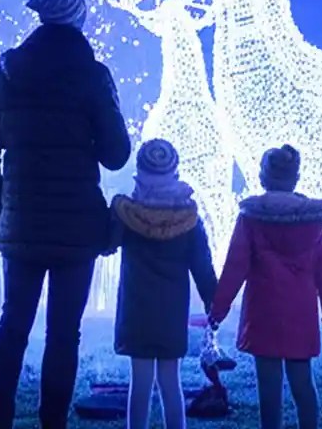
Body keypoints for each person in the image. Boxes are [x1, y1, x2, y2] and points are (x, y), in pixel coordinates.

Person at [0, 0, 132, 429]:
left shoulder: (1, 76)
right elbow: (116, 154)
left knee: (13, 327)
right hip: (77, 230)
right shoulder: (93, 76)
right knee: (65, 335)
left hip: (20, 225)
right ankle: (53, 423)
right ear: (78, 21)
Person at [207, 144, 322, 429]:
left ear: (263, 178)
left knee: (268, 392)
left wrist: (218, 310)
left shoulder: (251, 218)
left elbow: (235, 268)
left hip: (263, 314)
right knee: (303, 385)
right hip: (300, 315)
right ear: (295, 178)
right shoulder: (314, 222)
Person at [108, 138, 218, 429]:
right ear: (174, 172)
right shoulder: (189, 218)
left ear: (140, 172)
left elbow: (107, 244)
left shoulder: (127, 213)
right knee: (171, 382)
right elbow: (202, 267)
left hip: (136, 309)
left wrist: (111, 209)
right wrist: (214, 303)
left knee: (140, 384)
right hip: (171, 312)